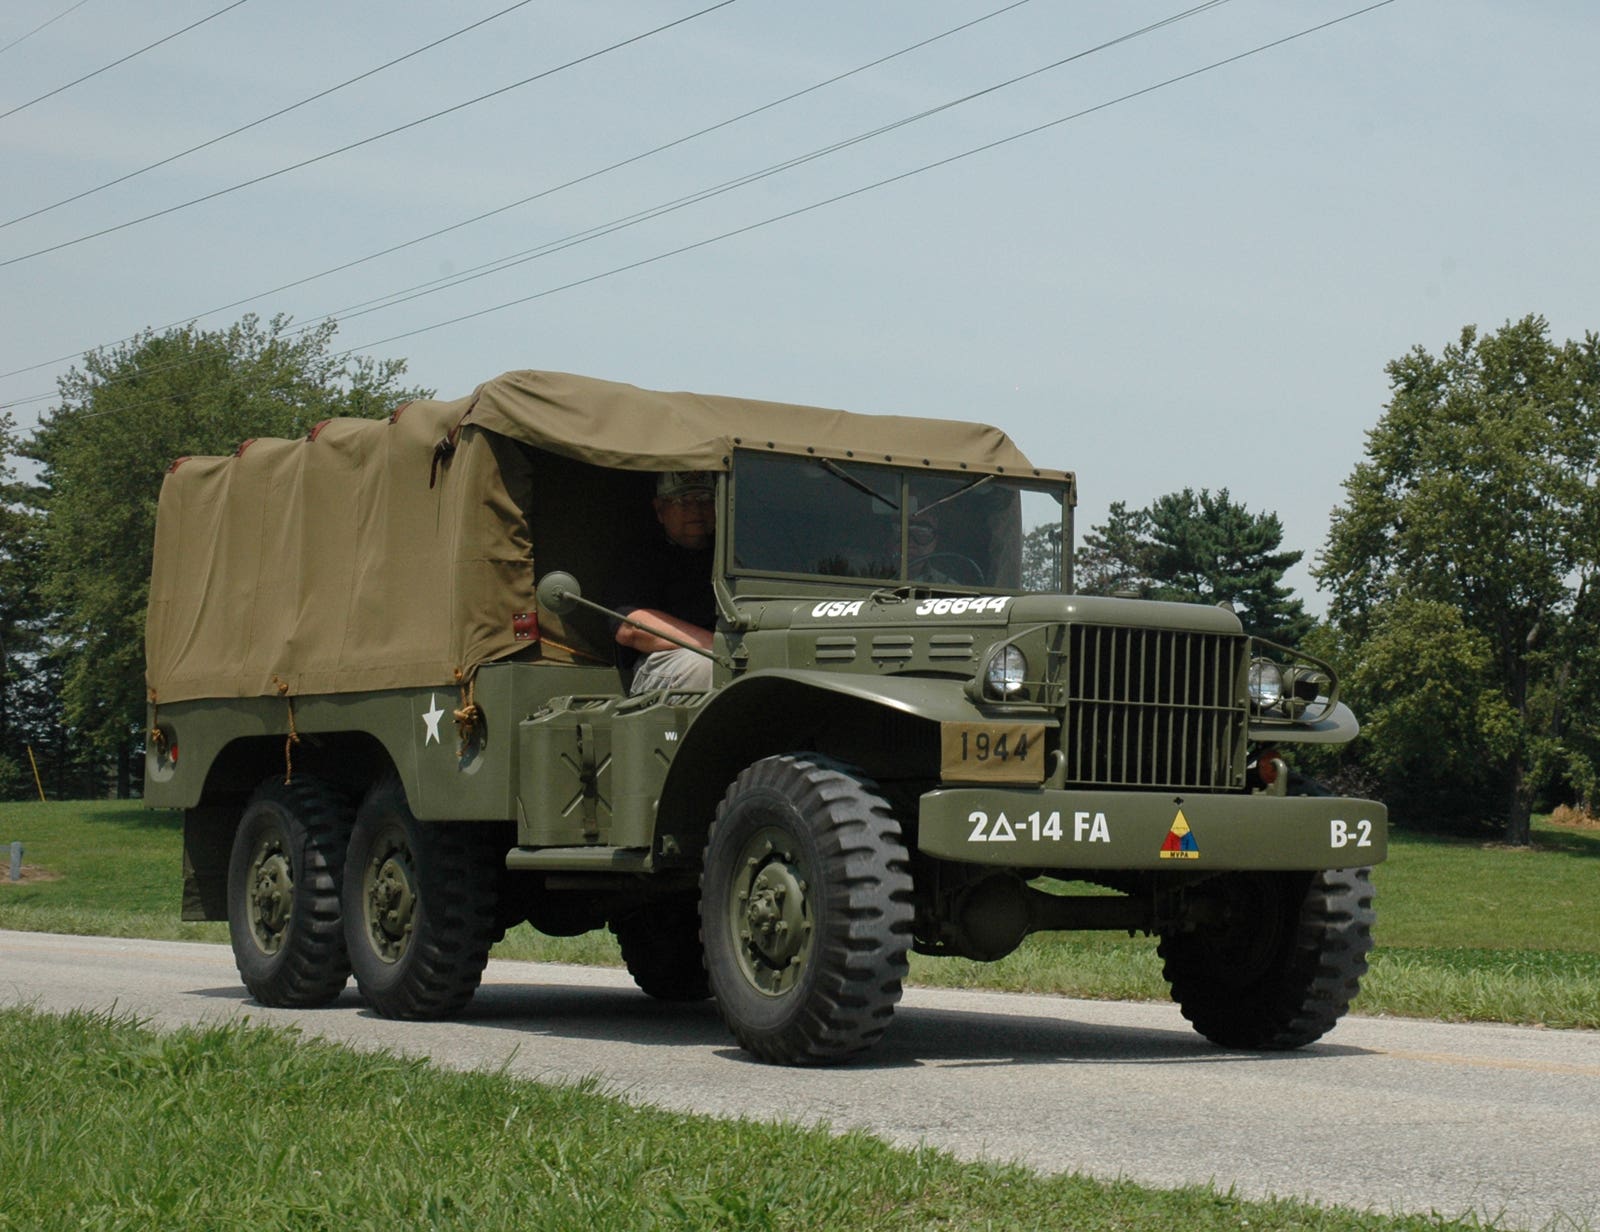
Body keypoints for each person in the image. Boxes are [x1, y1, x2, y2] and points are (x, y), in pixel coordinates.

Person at [611, 471, 717, 693]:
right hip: (663, 661)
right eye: (683, 500)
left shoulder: (732, 556)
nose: (696, 509)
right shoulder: (643, 556)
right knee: (708, 667)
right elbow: (630, 626)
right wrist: (714, 645)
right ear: (660, 509)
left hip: (734, 654)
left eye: (705, 499)